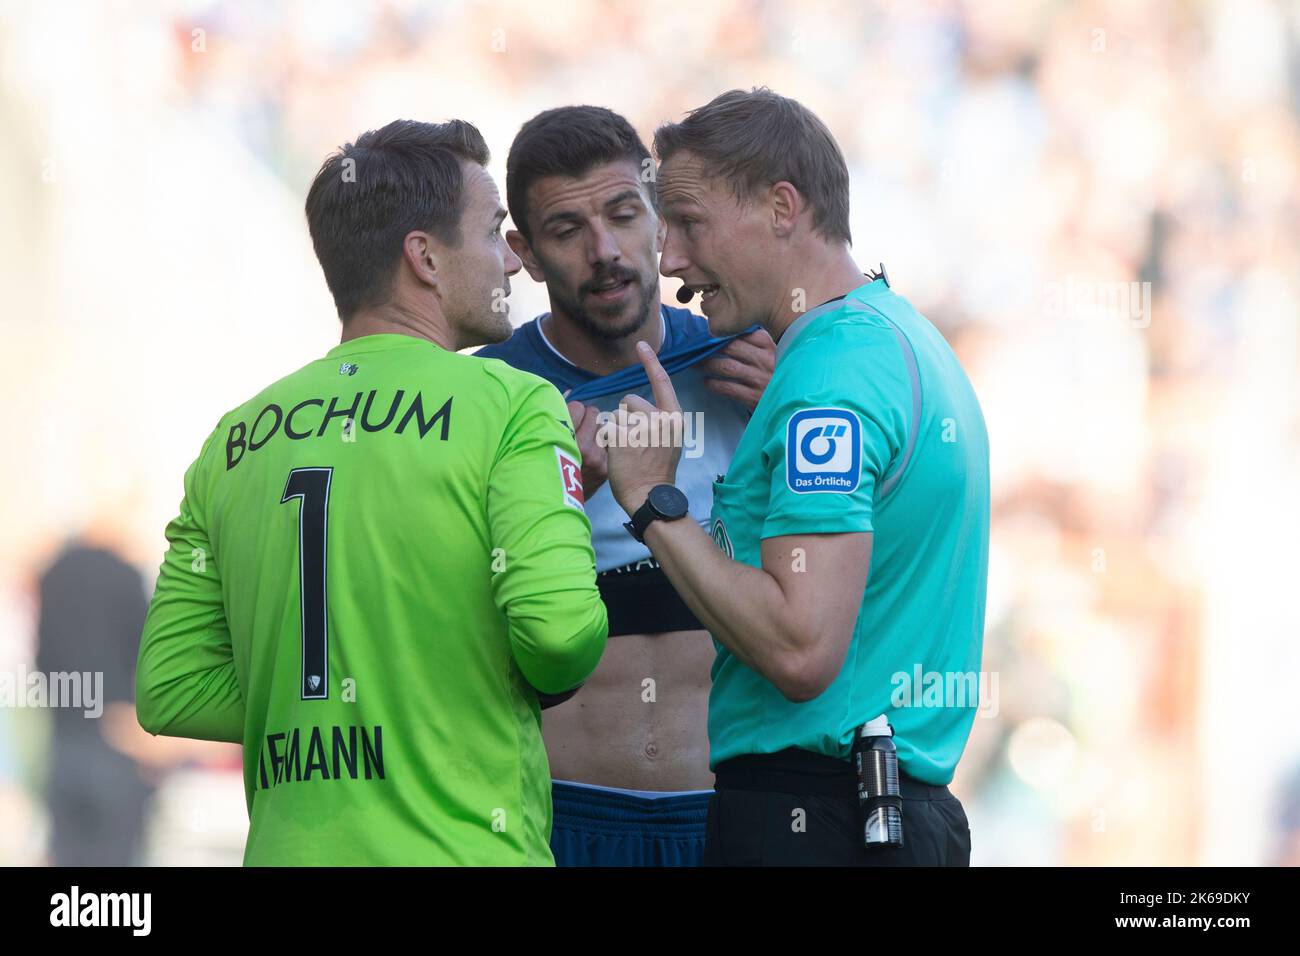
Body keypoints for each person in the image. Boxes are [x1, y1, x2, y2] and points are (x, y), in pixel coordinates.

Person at [135, 119, 608, 865]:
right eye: (492, 233)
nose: (511, 264)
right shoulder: (514, 403)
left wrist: (342, 708)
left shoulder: (233, 440)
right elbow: (561, 639)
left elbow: (171, 687)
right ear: (424, 256)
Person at [603, 88, 990, 865]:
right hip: (879, 811)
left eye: (688, 221)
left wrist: (651, 501)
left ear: (783, 206)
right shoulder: (895, 338)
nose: (669, 258)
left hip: (816, 816)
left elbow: (799, 647)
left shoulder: (832, 377)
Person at [477, 105, 774, 866]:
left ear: (660, 219)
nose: (605, 251)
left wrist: (800, 399)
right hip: (557, 820)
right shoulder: (487, 395)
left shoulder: (753, 360)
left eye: (622, 214)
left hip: (732, 817)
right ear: (527, 254)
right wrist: (560, 500)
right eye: (568, 230)